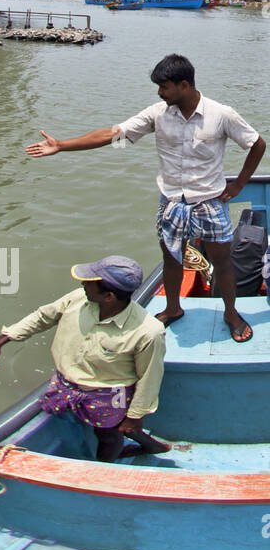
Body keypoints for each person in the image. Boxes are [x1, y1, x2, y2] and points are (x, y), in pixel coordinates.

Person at [27, 54, 266, 341]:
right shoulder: (157, 114)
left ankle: (230, 313)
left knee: (223, 261)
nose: (159, 93)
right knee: (171, 259)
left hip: (209, 202)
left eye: (164, 87)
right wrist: (62, 145)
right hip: (171, 203)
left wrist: (239, 184)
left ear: (184, 85)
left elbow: (257, 143)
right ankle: (174, 308)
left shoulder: (221, 114)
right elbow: (113, 134)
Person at [0, 256, 171, 462]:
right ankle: (147, 443)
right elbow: (42, 317)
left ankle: (106, 467)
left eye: (89, 283)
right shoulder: (77, 299)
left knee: (108, 436)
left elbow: (149, 378)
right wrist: (1, 340)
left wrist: (135, 416)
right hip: (67, 382)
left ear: (109, 296)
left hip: (108, 394)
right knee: (110, 428)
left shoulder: (148, 332)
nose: (83, 284)